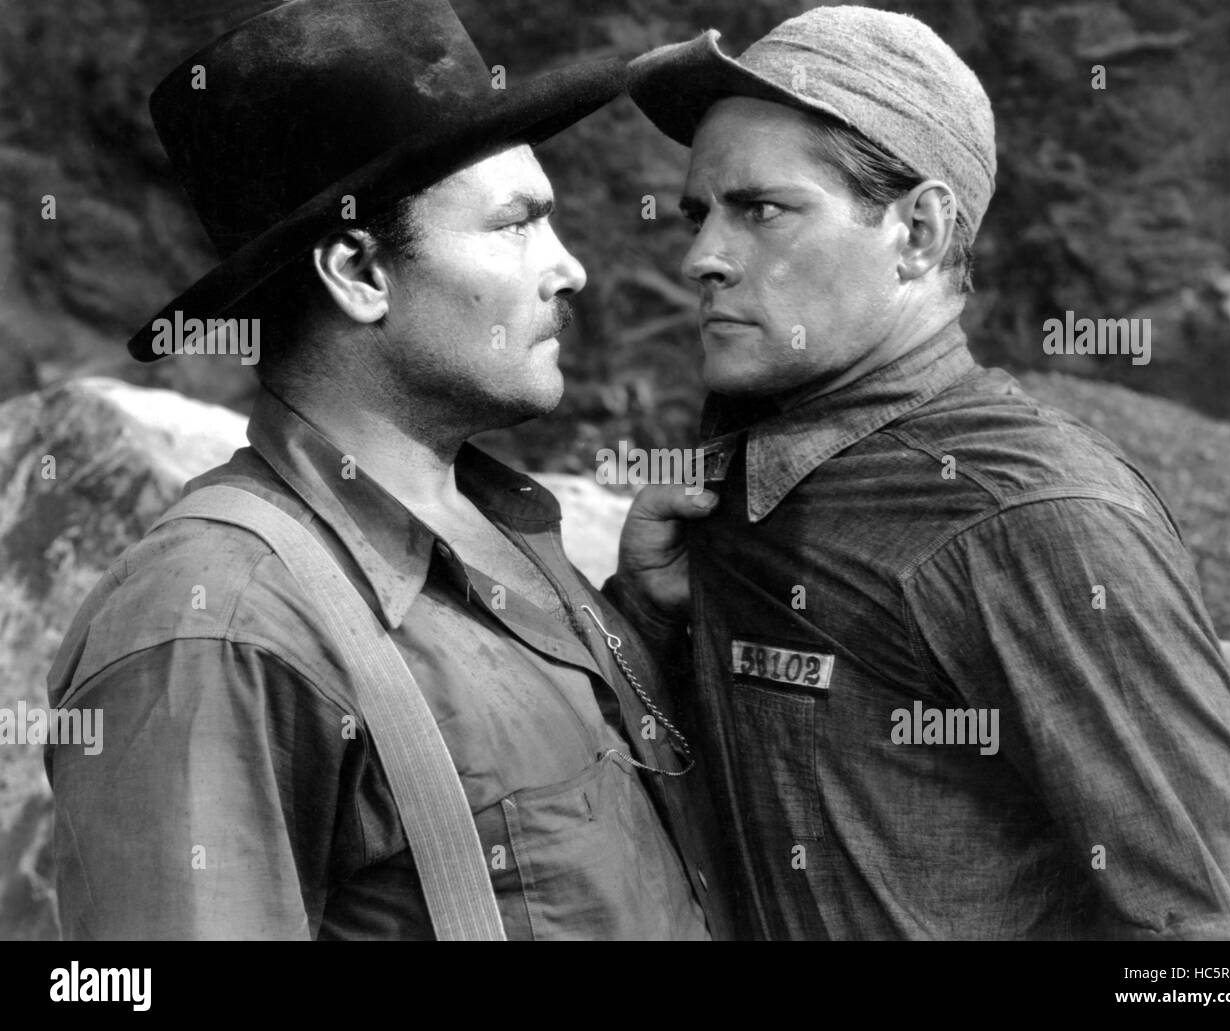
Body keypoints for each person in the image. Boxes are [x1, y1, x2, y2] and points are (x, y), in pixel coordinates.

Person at [44, 0, 728, 941]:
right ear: (359, 271)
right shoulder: (212, 624)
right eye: (516, 225)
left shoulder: (504, 532)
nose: (567, 269)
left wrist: (642, 623)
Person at [615, 5, 1230, 939]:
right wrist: (652, 619)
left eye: (761, 210)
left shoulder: (1031, 517)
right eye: (699, 214)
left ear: (920, 232)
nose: (703, 258)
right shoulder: (735, 483)